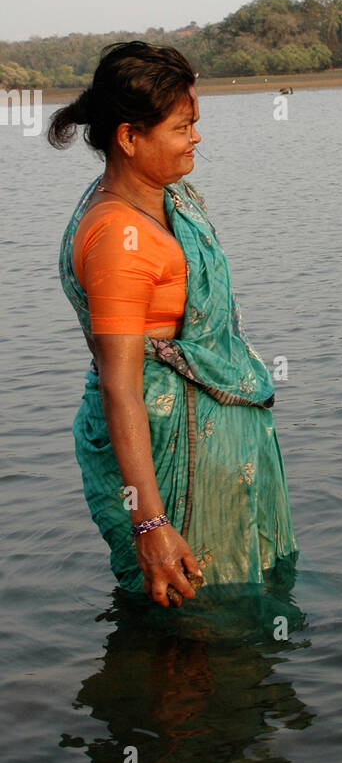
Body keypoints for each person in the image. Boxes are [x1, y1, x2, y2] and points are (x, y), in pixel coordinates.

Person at [49, 41, 298, 607]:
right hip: (165, 453)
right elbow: (121, 386)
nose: (197, 138)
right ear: (130, 138)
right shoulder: (118, 236)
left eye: (195, 124)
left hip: (209, 438)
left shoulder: (167, 199)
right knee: (188, 622)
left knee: (230, 620)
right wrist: (150, 524)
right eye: (182, 127)